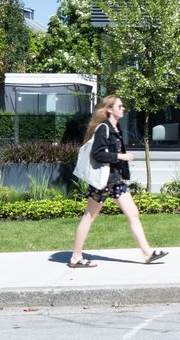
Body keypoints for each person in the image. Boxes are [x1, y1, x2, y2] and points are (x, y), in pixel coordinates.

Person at [69, 95, 167, 268]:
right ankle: (76, 258)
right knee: (89, 217)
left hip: (115, 181)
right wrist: (120, 156)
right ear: (109, 109)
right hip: (103, 182)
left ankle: (147, 253)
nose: (123, 109)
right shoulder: (103, 128)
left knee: (133, 213)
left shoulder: (116, 128)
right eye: (120, 106)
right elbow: (98, 154)